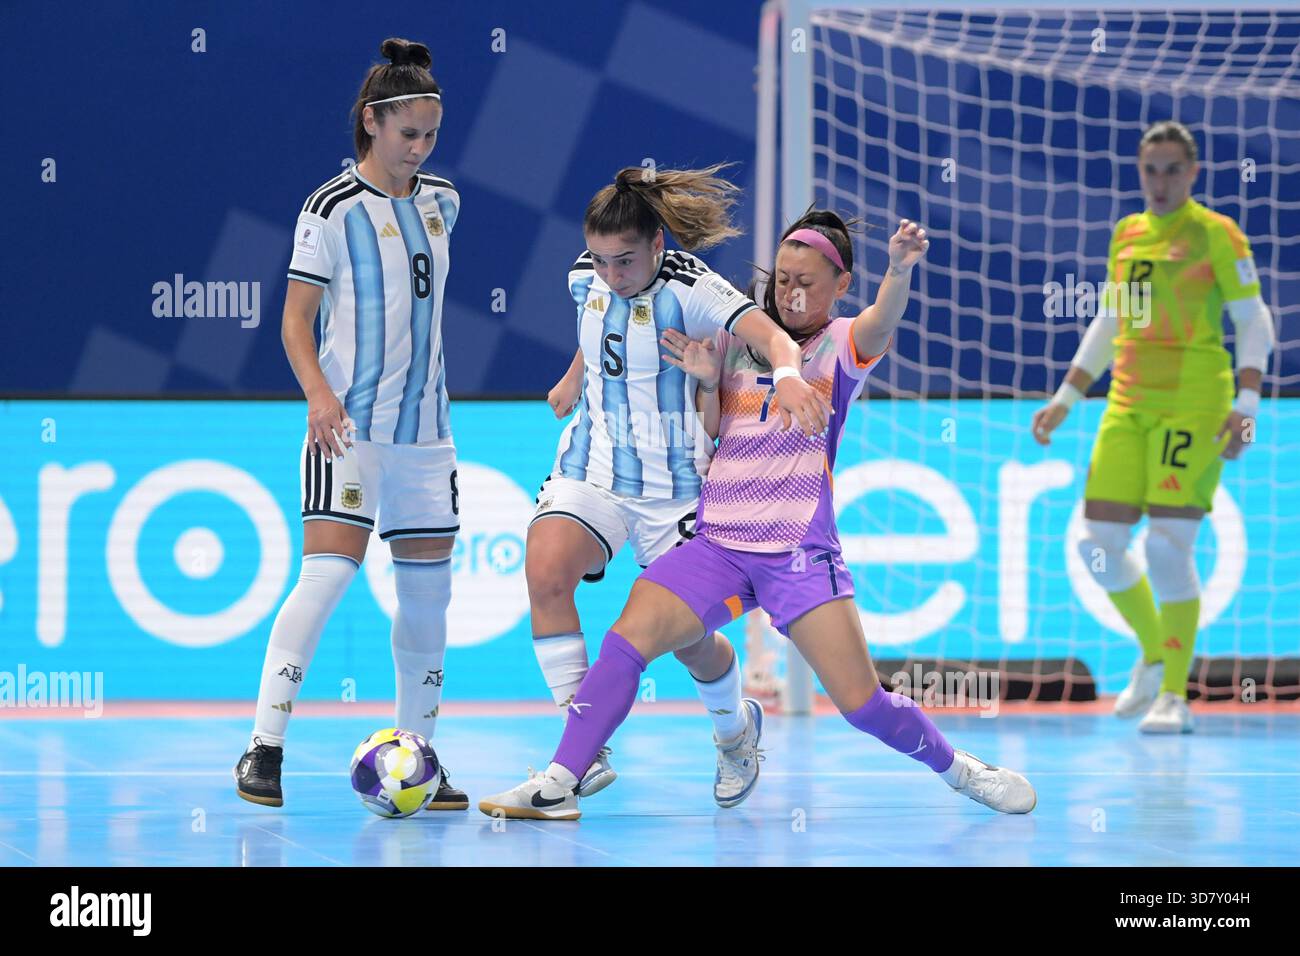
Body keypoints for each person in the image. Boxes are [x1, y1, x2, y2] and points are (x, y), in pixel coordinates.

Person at [481, 209, 1037, 819]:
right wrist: (700, 379)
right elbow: (713, 426)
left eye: (809, 283)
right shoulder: (735, 338)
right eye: (783, 278)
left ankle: (961, 771)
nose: (791, 294)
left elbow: (883, 321)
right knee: (625, 642)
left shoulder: (843, 346)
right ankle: (561, 780)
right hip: (718, 543)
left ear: (841, 287)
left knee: (861, 703)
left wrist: (899, 272)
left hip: (798, 552)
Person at [528, 164, 833, 807]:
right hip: (595, 470)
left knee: (691, 643)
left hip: (681, 491)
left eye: (626, 261)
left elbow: (777, 337)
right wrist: (572, 377)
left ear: (659, 246)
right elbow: (598, 325)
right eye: (602, 260)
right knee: (547, 573)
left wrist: (787, 376)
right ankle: (582, 748)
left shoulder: (695, 287)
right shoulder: (585, 275)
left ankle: (733, 732)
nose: (612, 274)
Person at [234, 38, 467, 809]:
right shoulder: (329, 209)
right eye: (409, 134)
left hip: (427, 438)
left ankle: (421, 759)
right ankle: (263, 747)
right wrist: (320, 398)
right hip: (350, 431)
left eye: (431, 134)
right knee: (329, 574)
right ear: (371, 123)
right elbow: (295, 323)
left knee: (428, 602)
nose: (421, 148)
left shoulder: (443, 201)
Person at [1032, 120, 1275, 734]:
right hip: (1129, 404)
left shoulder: (1217, 235)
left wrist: (1246, 406)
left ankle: (1174, 693)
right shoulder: (1129, 234)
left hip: (1196, 404)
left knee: (1167, 548)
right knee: (1097, 545)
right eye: (1151, 169)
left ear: (1192, 173)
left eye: (1173, 169)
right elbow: (1114, 319)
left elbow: (1255, 323)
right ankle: (1153, 648)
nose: (1161, 181)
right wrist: (1068, 395)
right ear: (1140, 172)